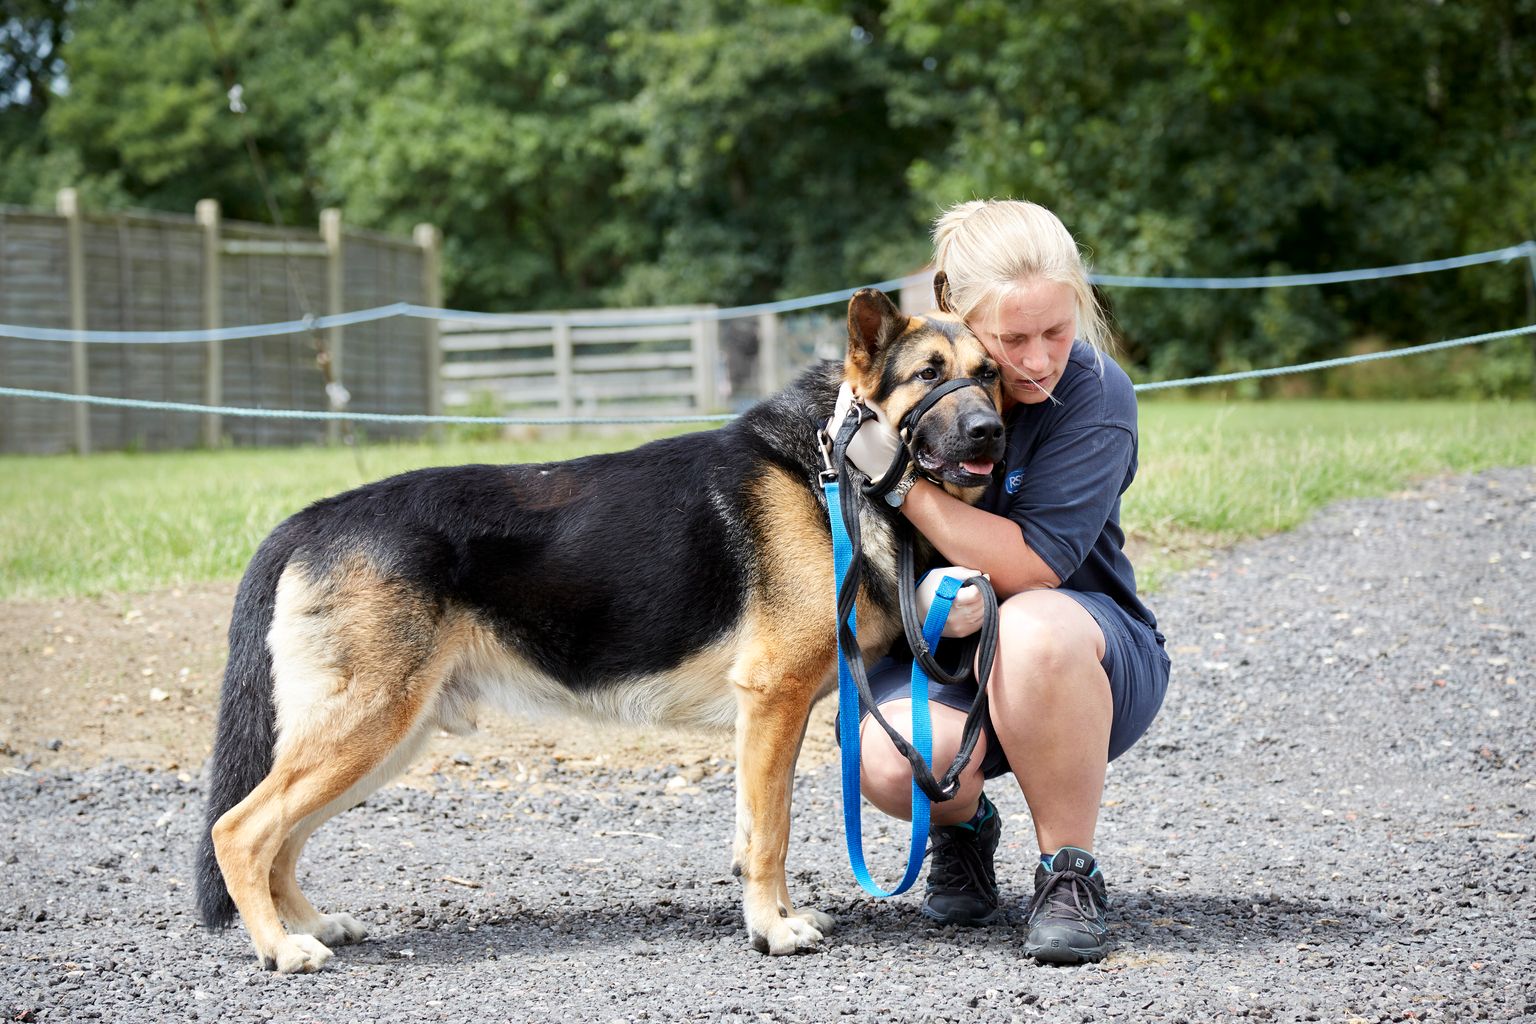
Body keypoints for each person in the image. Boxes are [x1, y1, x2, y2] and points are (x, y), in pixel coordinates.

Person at [841, 198, 1170, 964]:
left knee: (1033, 626)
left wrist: (901, 484)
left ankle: (1068, 872)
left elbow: (1031, 566)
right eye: (1011, 337)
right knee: (890, 764)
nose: (1036, 361)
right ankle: (964, 828)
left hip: (1083, 652)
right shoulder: (899, 383)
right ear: (951, 308)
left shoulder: (1094, 393)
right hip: (945, 659)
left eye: (1057, 330)